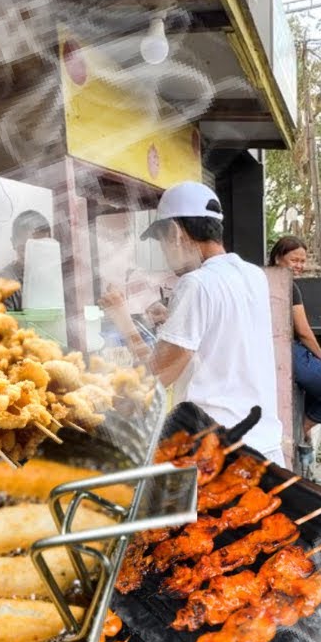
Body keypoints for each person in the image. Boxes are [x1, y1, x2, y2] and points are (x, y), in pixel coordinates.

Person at [102, 181, 285, 467]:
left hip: (218, 452)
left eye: (162, 241)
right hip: (264, 445)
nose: (164, 251)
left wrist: (107, 410)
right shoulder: (253, 275)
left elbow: (159, 373)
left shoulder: (196, 284)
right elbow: (217, 339)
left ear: (175, 232)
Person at [267, 236, 321, 435]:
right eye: (294, 260)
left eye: (302, 261)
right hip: (286, 351)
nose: (299, 265)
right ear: (278, 258)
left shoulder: (262, 280)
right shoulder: (288, 286)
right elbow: (304, 332)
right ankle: (303, 429)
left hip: (275, 350)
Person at [0, 210, 52, 311]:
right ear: (13, 243)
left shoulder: (52, 279)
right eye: (25, 248)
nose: (34, 255)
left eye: (41, 247)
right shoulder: (2, 285)